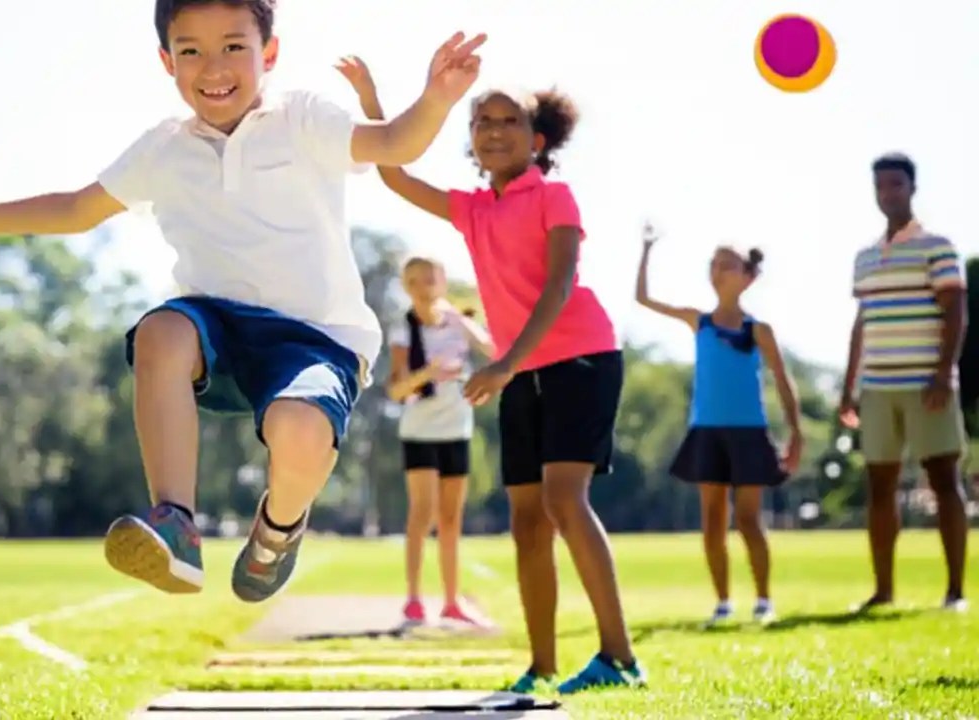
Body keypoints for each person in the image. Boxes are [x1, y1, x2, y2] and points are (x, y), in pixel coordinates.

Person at [0, 0, 487, 603]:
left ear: (269, 54)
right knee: (161, 332)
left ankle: (279, 529)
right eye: (191, 52)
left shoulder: (301, 118)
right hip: (219, 330)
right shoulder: (163, 148)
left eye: (233, 47)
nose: (213, 67)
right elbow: (74, 210)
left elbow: (392, 143)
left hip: (317, 340)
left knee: (300, 432)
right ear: (166, 62)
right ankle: (175, 525)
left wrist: (436, 97)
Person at [337, 56, 645, 695]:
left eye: (509, 120)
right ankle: (542, 666)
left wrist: (504, 361)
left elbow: (559, 285)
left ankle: (619, 659)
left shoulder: (554, 196)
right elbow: (392, 173)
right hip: (519, 372)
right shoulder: (472, 209)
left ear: (536, 140)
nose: (494, 130)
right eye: (482, 121)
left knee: (564, 500)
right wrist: (372, 95)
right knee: (527, 520)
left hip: (579, 357)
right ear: (471, 139)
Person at [634, 223, 802, 628]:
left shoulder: (758, 330)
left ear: (747, 277)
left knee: (748, 519)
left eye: (728, 265)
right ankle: (722, 603)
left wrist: (796, 433)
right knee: (712, 521)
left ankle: (763, 601)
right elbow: (642, 298)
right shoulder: (700, 322)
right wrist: (646, 249)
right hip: (706, 432)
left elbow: (782, 379)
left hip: (748, 433)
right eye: (714, 264)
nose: (719, 271)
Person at [840, 152, 969, 614]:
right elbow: (863, 322)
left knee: (943, 481)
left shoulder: (937, 245)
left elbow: (955, 311)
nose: (888, 193)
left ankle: (955, 591)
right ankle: (883, 590)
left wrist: (941, 373)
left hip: (926, 384)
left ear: (912, 187)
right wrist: (848, 384)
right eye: (881, 186)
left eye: (896, 185)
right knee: (879, 485)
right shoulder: (865, 256)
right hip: (877, 386)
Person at [387, 257, 495, 628]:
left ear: (442, 282)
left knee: (451, 518)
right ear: (407, 286)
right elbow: (397, 389)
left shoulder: (458, 324)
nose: (425, 286)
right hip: (420, 431)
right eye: (416, 281)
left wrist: (462, 319)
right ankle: (414, 599)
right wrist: (429, 372)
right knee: (423, 513)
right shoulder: (404, 330)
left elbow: (494, 351)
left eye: (432, 279)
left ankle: (452, 601)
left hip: (457, 428)